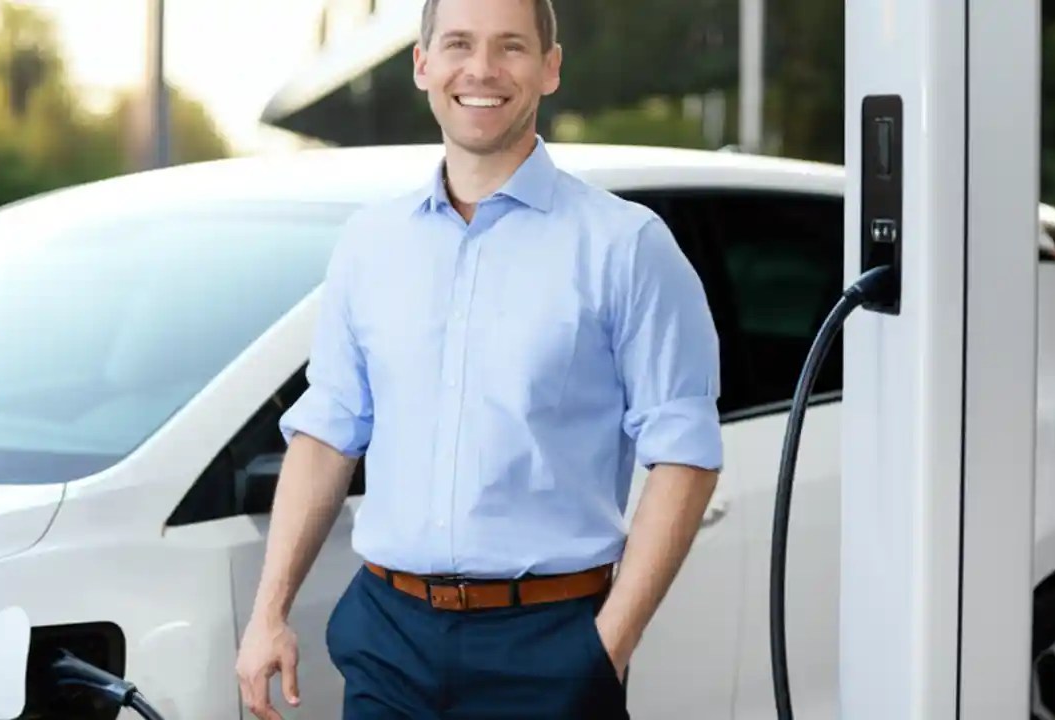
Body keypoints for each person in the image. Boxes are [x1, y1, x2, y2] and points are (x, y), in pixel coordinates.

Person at [234, 0, 723, 717]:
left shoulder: (627, 247)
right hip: (388, 637)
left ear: (551, 69)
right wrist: (267, 612)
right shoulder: (370, 245)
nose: (483, 70)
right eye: (459, 44)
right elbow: (329, 431)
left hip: (548, 643)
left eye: (512, 48)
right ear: (423, 65)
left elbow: (686, 454)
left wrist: (605, 647)